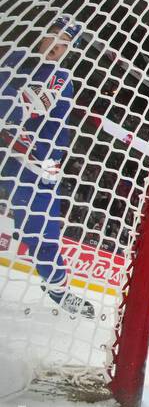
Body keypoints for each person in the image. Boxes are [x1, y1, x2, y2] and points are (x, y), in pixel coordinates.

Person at [0, 17, 94, 319]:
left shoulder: (61, 78)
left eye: (66, 42)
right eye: (55, 36)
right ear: (43, 36)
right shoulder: (14, 56)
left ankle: (57, 288)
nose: (58, 45)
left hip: (37, 162)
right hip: (9, 146)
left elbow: (27, 110)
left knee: (41, 231)